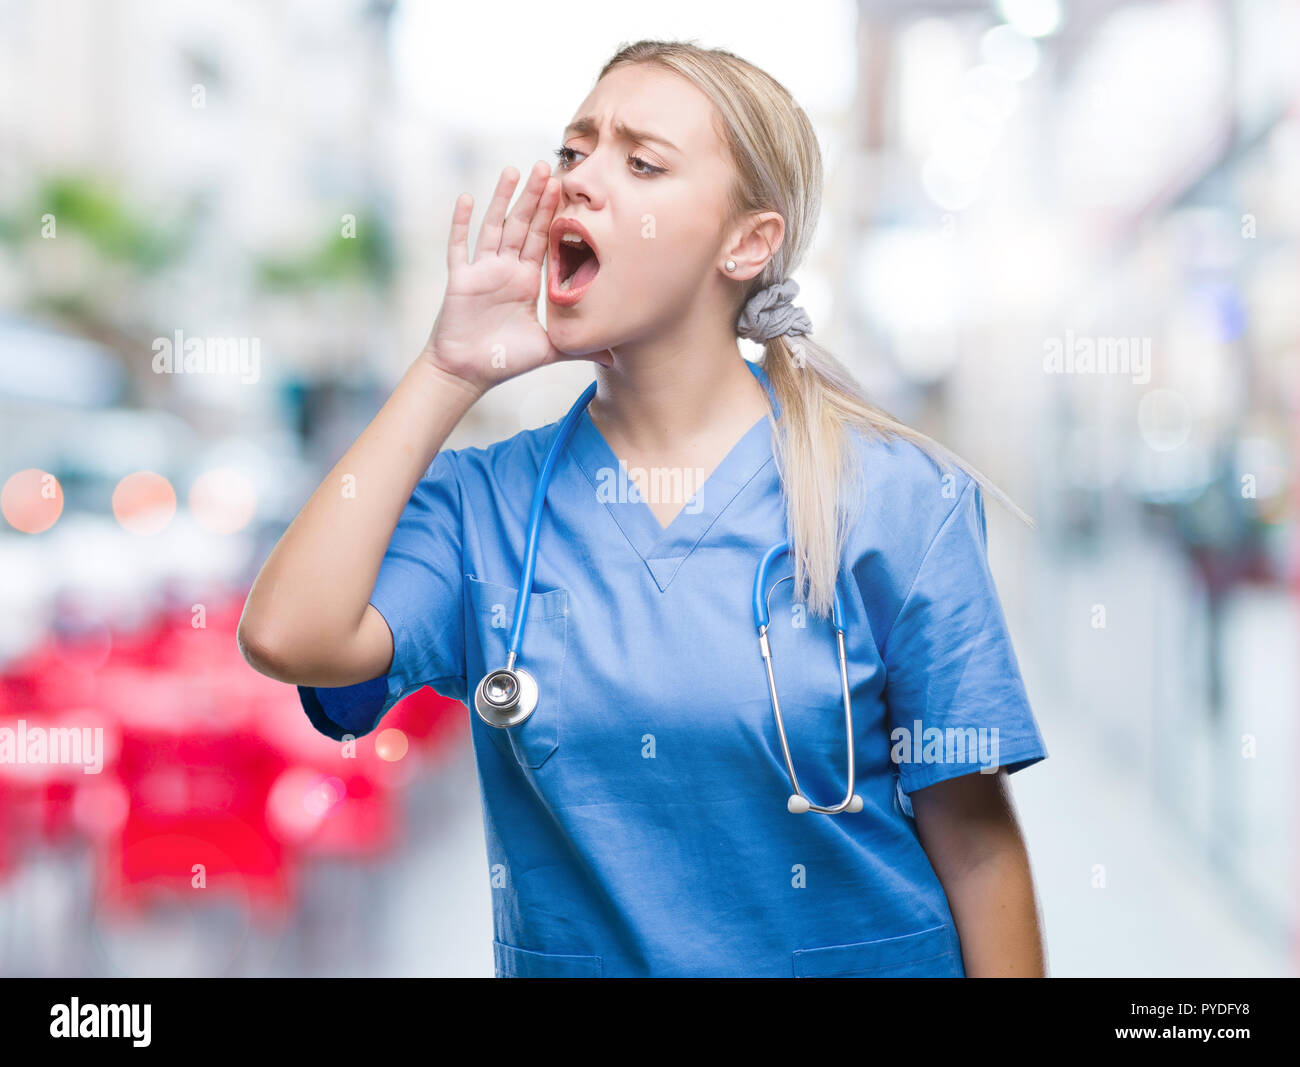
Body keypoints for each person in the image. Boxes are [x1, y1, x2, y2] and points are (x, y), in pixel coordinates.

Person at [238, 39, 1049, 979]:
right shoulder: (486, 507)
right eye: (573, 151)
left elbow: (981, 847)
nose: (578, 180)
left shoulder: (900, 501)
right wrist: (447, 370)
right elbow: (289, 633)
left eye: (641, 161)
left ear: (747, 243)